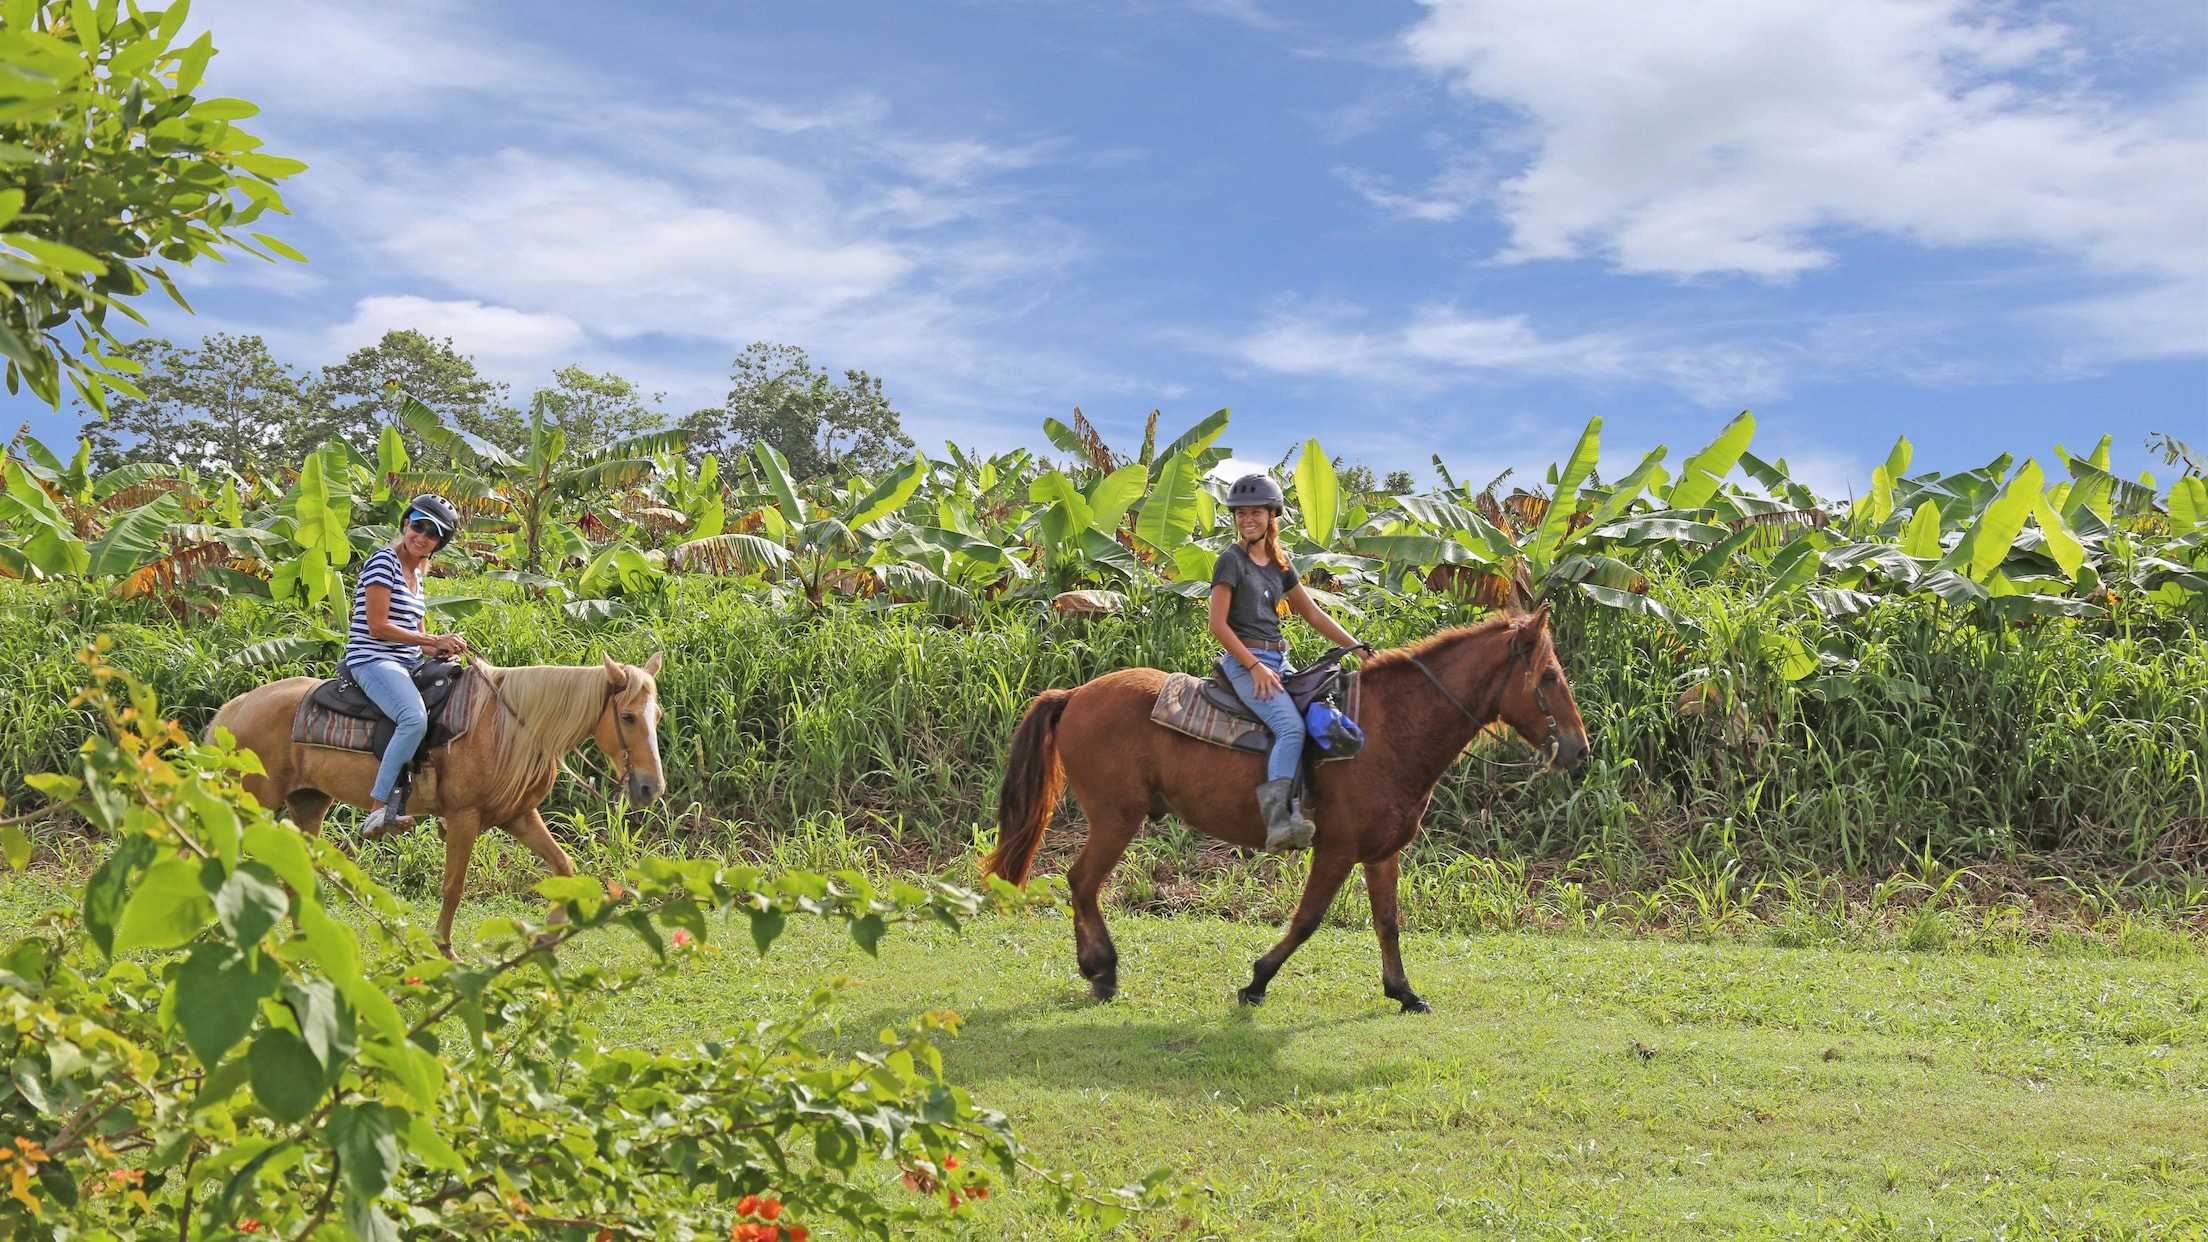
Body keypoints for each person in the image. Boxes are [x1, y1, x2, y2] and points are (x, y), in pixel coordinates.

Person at [1208, 473, 1366, 852]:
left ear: (1272, 515)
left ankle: (1310, 805)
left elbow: (1312, 614)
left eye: (1256, 512)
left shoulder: (1280, 564)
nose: (1247, 519)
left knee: (1323, 715)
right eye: (1240, 513)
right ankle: (1278, 822)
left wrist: (1356, 646)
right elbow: (1217, 624)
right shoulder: (1230, 561)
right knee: (1291, 729)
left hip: (1280, 660)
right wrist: (1253, 666)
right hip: (1245, 663)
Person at [344, 493, 470, 838]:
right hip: (373, 658)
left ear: (437, 544)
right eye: (418, 526)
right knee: (413, 718)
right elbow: (378, 626)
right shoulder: (383, 561)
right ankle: (379, 806)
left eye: (432, 533)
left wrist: (440, 651)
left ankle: (448, 797)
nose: (422, 536)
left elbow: (417, 632)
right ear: (406, 524)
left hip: (409, 662)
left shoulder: (418, 576)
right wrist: (432, 642)